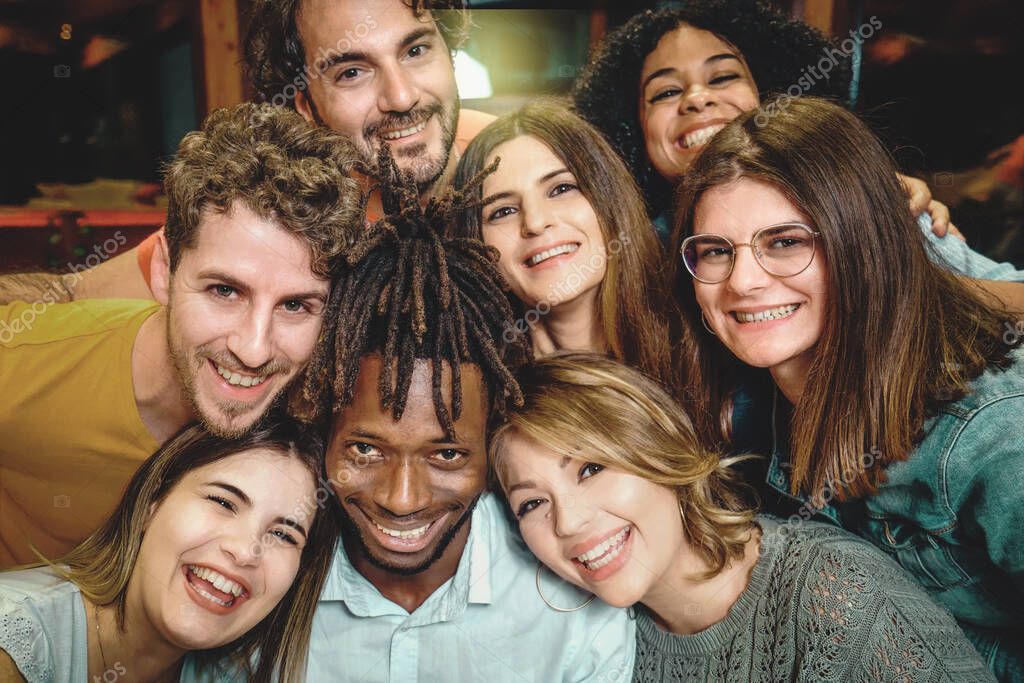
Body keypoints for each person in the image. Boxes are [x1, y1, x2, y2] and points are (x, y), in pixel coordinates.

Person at [672, 96, 1024, 680]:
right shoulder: (752, 402)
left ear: (858, 244)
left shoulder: (991, 435)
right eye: (715, 251)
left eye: (785, 241)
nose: (743, 281)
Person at [287, 148, 635, 681]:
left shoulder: (577, 614)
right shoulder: (261, 586)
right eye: (365, 449)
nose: (402, 499)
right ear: (323, 432)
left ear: (493, 441)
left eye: (446, 454)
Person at [0, 103, 361, 568]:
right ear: (163, 273)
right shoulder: (31, 362)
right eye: (225, 290)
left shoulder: (324, 419)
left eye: (295, 305)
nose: (253, 349)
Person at [490, 352, 996, 682]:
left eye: (590, 468)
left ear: (661, 449)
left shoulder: (834, 592)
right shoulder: (604, 653)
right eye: (532, 503)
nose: (569, 523)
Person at [0, 0, 494, 305]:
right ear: (307, 107)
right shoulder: (293, 206)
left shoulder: (525, 163)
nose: (402, 97)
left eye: (415, 50)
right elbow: (74, 294)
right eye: (351, 72)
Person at [571, 2, 1024, 283]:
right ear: (633, 129)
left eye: (723, 76)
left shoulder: (869, 204)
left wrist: (927, 279)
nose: (696, 98)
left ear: (770, 94)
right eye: (666, 92)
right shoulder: (626, 257)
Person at [0, 419, 340, 683]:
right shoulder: (14, 636)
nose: (246, 551)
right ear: (152, 501)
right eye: (222, 501)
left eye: (283, 534)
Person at [453, 100, 678, 391]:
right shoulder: (478, 398)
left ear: (609, 200)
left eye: (561, 189)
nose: (535, 222)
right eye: (503, 211)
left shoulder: (696, 353)